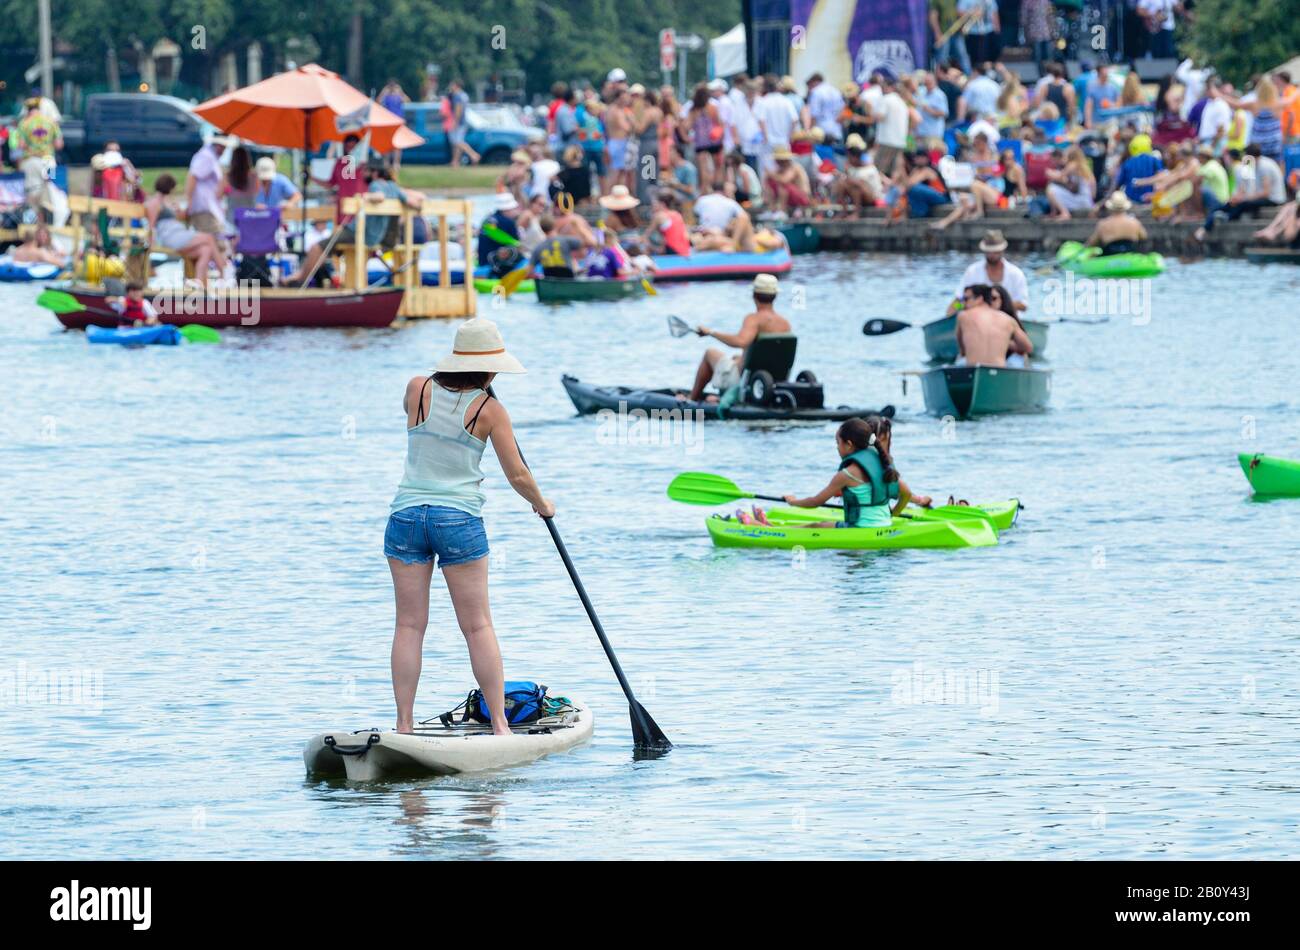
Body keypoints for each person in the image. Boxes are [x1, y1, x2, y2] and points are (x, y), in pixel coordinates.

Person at [387, 318, 553, 736]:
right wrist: (543, 504)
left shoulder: (416, 388)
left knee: (409, 625)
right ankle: (500, 726)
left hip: (406, 516)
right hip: (457, 518)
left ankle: (403, 725)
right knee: (477, 625)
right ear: (491, 369)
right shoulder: (491, 410)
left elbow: (424, 423)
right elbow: (517, 475)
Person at [751, 416, 925, 528]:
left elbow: (815, 502)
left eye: (837, 443)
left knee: (815, 526)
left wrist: (793, 501)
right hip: (883, 525)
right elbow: (907, 493)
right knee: (823, 524)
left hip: (859, 529)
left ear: (849, 444)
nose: (837, 447)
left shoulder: (847, 474)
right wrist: (892, 516)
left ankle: (771, 530)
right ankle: (771, 526)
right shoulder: (884, 462)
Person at [680, 272, 792, 401]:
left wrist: (711, 333)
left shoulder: (753, 319)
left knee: (710, 353)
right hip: (771, 379)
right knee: (736, 357)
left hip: (744, 379)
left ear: (754, 295)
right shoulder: (785, 324)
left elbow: (741, 342)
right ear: (775, 296)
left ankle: (691, 399)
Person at [145, 173, 228, 290]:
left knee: (206, 249)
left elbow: (182, 215)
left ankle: (198, 282)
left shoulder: (167, 202)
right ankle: (223, 273)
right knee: (208, 238)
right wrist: (150, 244)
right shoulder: (154, 202)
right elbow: (151, 225)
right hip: (170, 236)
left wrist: (178, 209)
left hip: (178, 233)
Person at [948, 230, 1029, 314]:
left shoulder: (1016, 274)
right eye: (989, 252)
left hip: (1009, 320)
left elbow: (1023, 305)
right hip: (977, 320)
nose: (992, 255)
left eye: (995, 252)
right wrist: (958, 308)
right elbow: (959, 301)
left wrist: (999, 304)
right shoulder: (972, 271)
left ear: (1002, 250)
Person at [956, 283, 1033, 367]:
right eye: (962, 299)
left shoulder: (964, 315)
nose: (963, 304)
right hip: (999, 370)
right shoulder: (1008, 320)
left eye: (966, 299)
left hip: (986, 367)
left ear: (980, 299)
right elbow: (955, 305)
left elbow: (963, 352)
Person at [13, 97, 62, 219]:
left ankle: (35, 220)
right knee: (50, 188)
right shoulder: (51, 122)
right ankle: (51, 218)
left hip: (31, 161)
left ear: (28, 110)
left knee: (33, 191)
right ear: (39, 108)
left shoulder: (24, 123)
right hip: (48, 160)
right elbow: (59, 144)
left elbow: (21, 145)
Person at [186, 135, 234, 240]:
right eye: (224, 147)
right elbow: (193, 176)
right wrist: (189, 201)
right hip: (204, 208)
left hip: (209, 208)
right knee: (215, 242)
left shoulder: (211, 157)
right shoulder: (206, 157)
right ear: (218, 146)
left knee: (216, 242)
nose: (224, 151)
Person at [692, 181, 756, 252]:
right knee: (711, 239)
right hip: (720, 235)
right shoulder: (730, 202)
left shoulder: (702, 199)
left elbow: (744, 217)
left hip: (723, 237)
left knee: (711, 239)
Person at [872, 69, 910, 178]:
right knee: (895, 170)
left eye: (883, 87)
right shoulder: (902, 102)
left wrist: (870, 112)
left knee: (879, 169)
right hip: (900, 141)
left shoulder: (886, 99)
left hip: (887, 140)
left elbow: (880, 116)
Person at [476, 192, 523, 277]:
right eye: (513, 209)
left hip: (482, 261)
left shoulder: (486, 220)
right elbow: (517, 245)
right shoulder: (509, 222)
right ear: (507, 209)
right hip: (495, 266)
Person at [1045, 145, 1096, 219]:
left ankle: (1064, 213)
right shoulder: (1084, 167)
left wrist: (1049, 173)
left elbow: (1059, 177)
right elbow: (1093, 187)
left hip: (1081, 201)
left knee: (1051, 189)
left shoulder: (1073, 164)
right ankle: (1054, 213)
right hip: (1087, 201)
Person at [1113, 133, 1164, 203]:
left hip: (1131, 201)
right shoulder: (1154, 160)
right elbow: (1162, 176)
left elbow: (1118, 183)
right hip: (1149, 201)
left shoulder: (1128, 162)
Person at [763, 146, 811, 215]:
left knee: (784, 186)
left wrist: (770, 174)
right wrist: (768, 177)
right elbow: (772, 179)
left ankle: (781, 212)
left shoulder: (794, 167)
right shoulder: (780, 169)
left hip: (803, 198)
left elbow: (784, 180)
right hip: (790, 199)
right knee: (770, 182)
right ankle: (772, 209)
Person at [643, 191, 691, 256]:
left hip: (673, 251)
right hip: (684, 250)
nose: (652, 206)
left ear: (662, 204)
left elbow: (645, 236)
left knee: (645, 246)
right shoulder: (677, 214)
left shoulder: (659, 216)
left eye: (654, 203)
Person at [446, 79, 480, 165]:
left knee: (457, 142)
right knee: (457, 142)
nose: (451, 87)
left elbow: (458, 110)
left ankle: (473, 155)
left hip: (459, 122)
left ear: (457, 85)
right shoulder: (464, 95)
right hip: (463, 121)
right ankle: (455, 161)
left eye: (452, 85)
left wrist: (455, 122)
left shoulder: (457, 96)